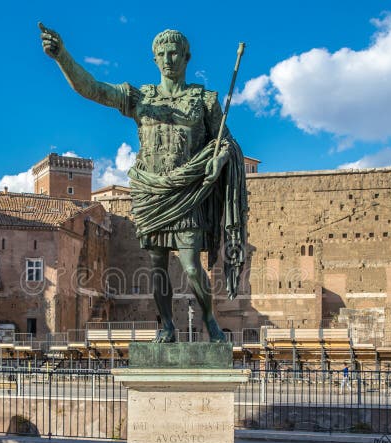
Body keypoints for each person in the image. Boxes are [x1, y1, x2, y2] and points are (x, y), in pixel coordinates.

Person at [40, 24, 248, 343]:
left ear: (187, 57)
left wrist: (219, 160)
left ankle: (210, 320)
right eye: (162, 54)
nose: (168, 59)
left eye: (174, 53)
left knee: (191, 265)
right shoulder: (141, 98)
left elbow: (226, 143)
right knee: (157, 266)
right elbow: (93, 88)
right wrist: (62, 57)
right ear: (155, 59)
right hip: (150, 192)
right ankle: (167, 326)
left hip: (188, 193)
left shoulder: (204, 100)